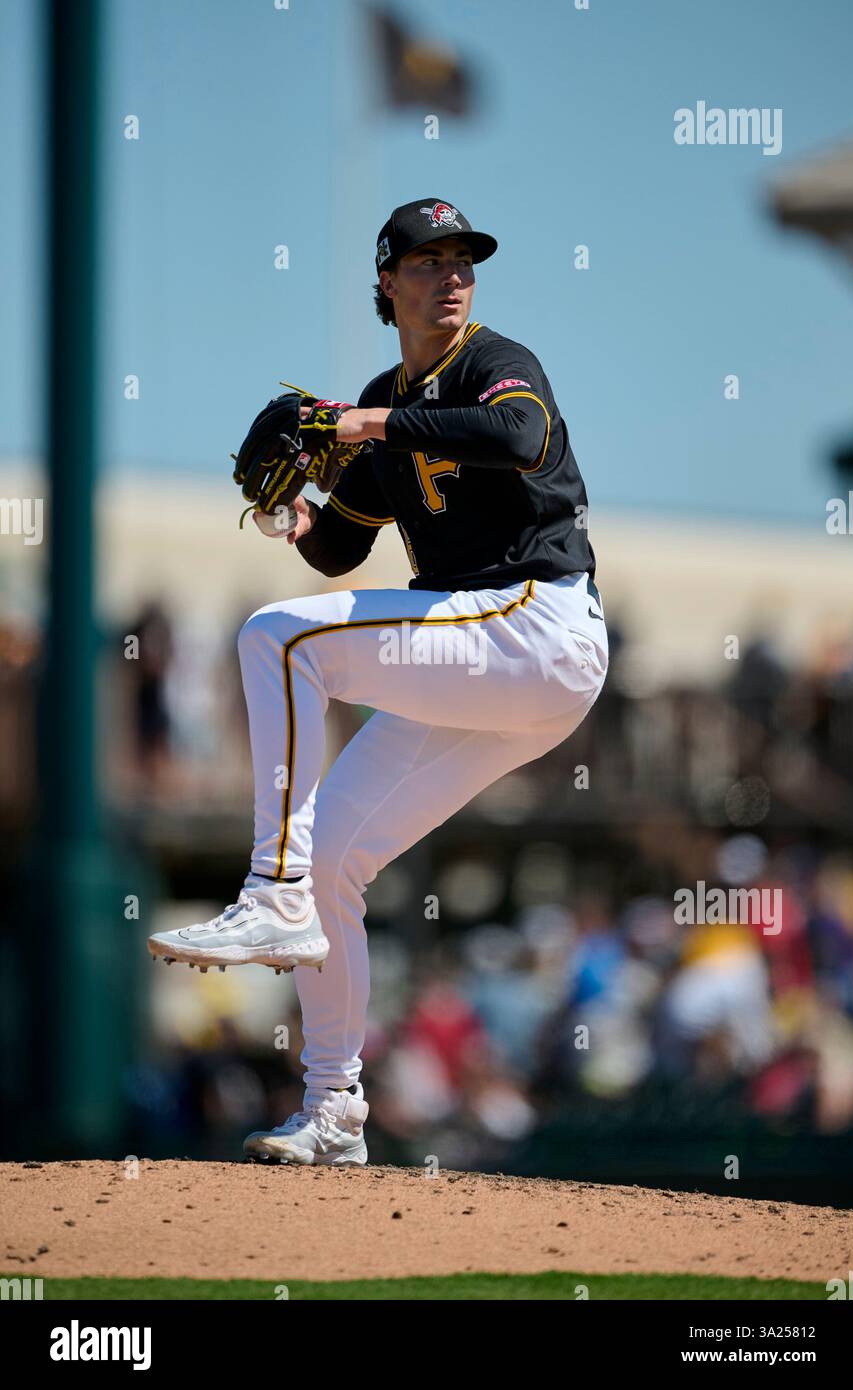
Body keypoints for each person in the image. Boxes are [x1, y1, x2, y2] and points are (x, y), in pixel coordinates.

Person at [148, 198, 609, 1165]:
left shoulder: (490, 360)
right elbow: (341, 550)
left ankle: (264, 890)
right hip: (487, 666)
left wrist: (371, 422)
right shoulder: (384, 398)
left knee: (275, 641)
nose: (451, 276)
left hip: (538, 621)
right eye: (428, 260)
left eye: (463, 260)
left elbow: (518, 434)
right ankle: (333, 1110)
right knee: (333, 862)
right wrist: (294, 515)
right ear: (386, 282)